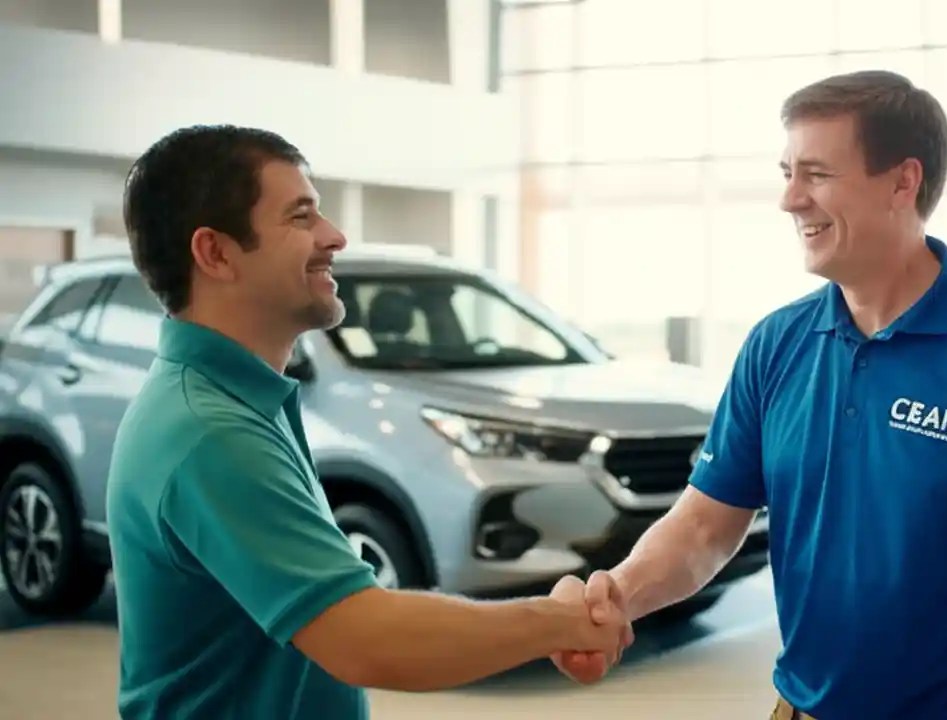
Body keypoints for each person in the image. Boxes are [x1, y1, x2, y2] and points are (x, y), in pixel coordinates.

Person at [554, 71, 947, 719]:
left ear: (903, 183)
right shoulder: (776, 345)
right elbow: (705, 526)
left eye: (816, 174)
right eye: (787, 172)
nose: (790, 200)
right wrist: (616, 598)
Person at [105, 125, 630, 720]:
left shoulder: (232, 401)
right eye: (301, 217)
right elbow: (364, 638)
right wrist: (558, 623)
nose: (334, 236)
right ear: (216, 253)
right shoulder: (209, 431)